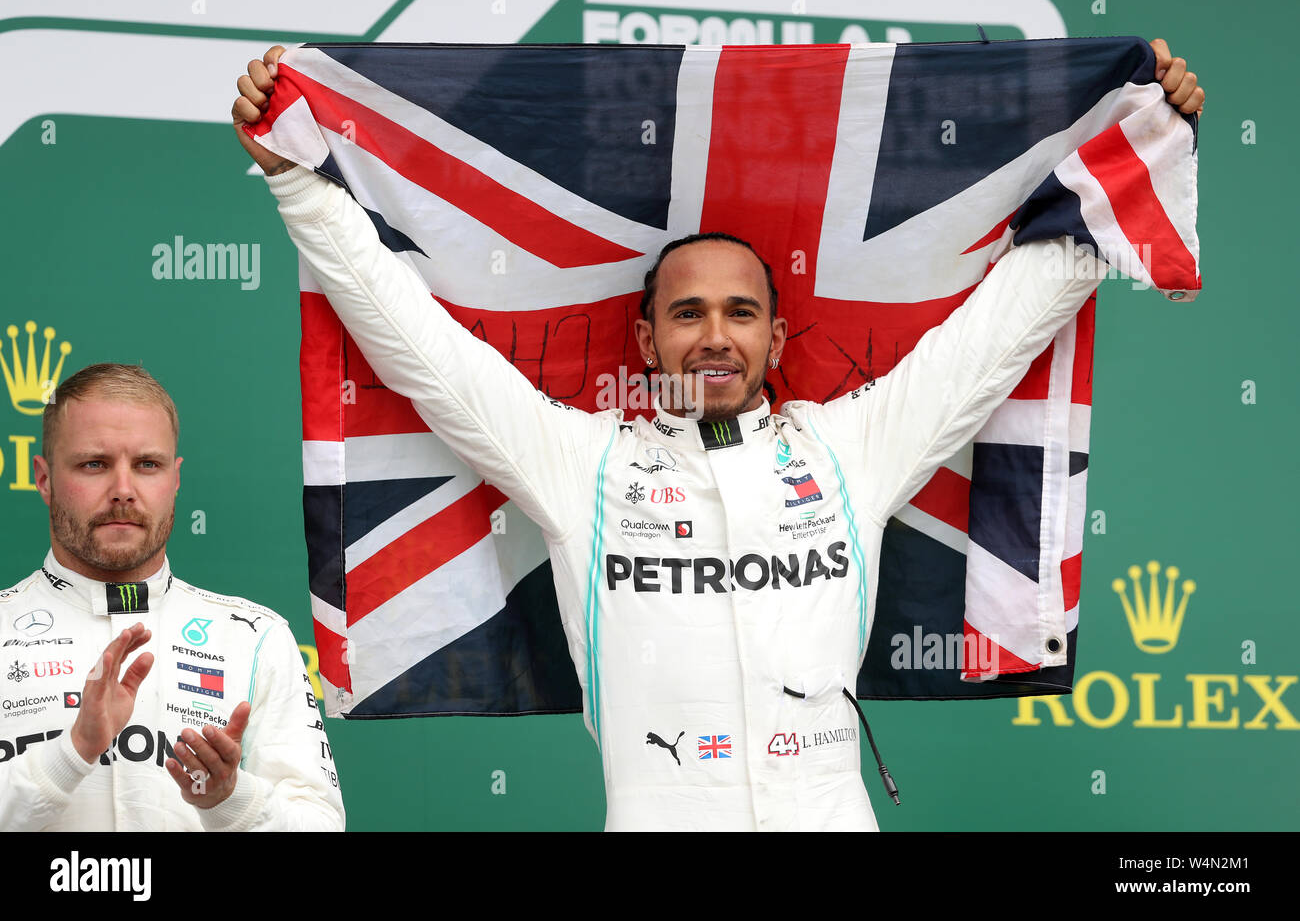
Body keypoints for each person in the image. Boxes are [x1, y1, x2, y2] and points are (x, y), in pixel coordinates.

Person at [232, 41, 1202, 831]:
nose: (713, 336)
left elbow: (999, 334)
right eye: (686, 313)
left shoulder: (848, 450)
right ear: (646, 337)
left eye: (739, 313)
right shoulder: (583, 467)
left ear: (774, 339)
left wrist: (1140, 148)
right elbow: (424, 353)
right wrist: (304, 191)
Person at [0, 363, 344, 831]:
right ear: (43, 478)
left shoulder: (256, 638)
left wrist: (229, 798)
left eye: (147, 465)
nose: (123, 491)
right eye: (94, 464)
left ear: (175, 478)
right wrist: (73, 751)